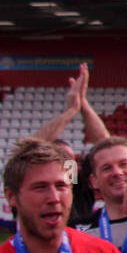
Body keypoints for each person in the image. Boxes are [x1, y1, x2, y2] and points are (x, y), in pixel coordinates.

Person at [35, 63, 110, 228]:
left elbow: (107, 148)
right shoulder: (35, 185)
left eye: (71, 159)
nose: (68, 164)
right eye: (61, 158)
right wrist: (70, 111)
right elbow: (32, 147)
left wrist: (82, 105)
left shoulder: (80, 187)